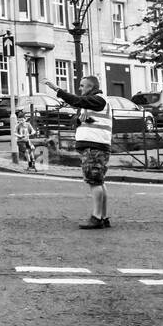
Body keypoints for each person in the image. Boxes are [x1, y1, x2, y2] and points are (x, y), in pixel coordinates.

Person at [44, 74, 111, 228]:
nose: (80, 88)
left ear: (91, 87)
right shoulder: (91, 104)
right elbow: (74, 120)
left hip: (95, 146)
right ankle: (104, 216)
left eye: (82, 85)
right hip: (95, 145)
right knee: (99, 181)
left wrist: (57, 89)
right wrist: (81, 119)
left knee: (94, 182)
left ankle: (96, 217)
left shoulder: (99, 99)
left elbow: (76, 100)